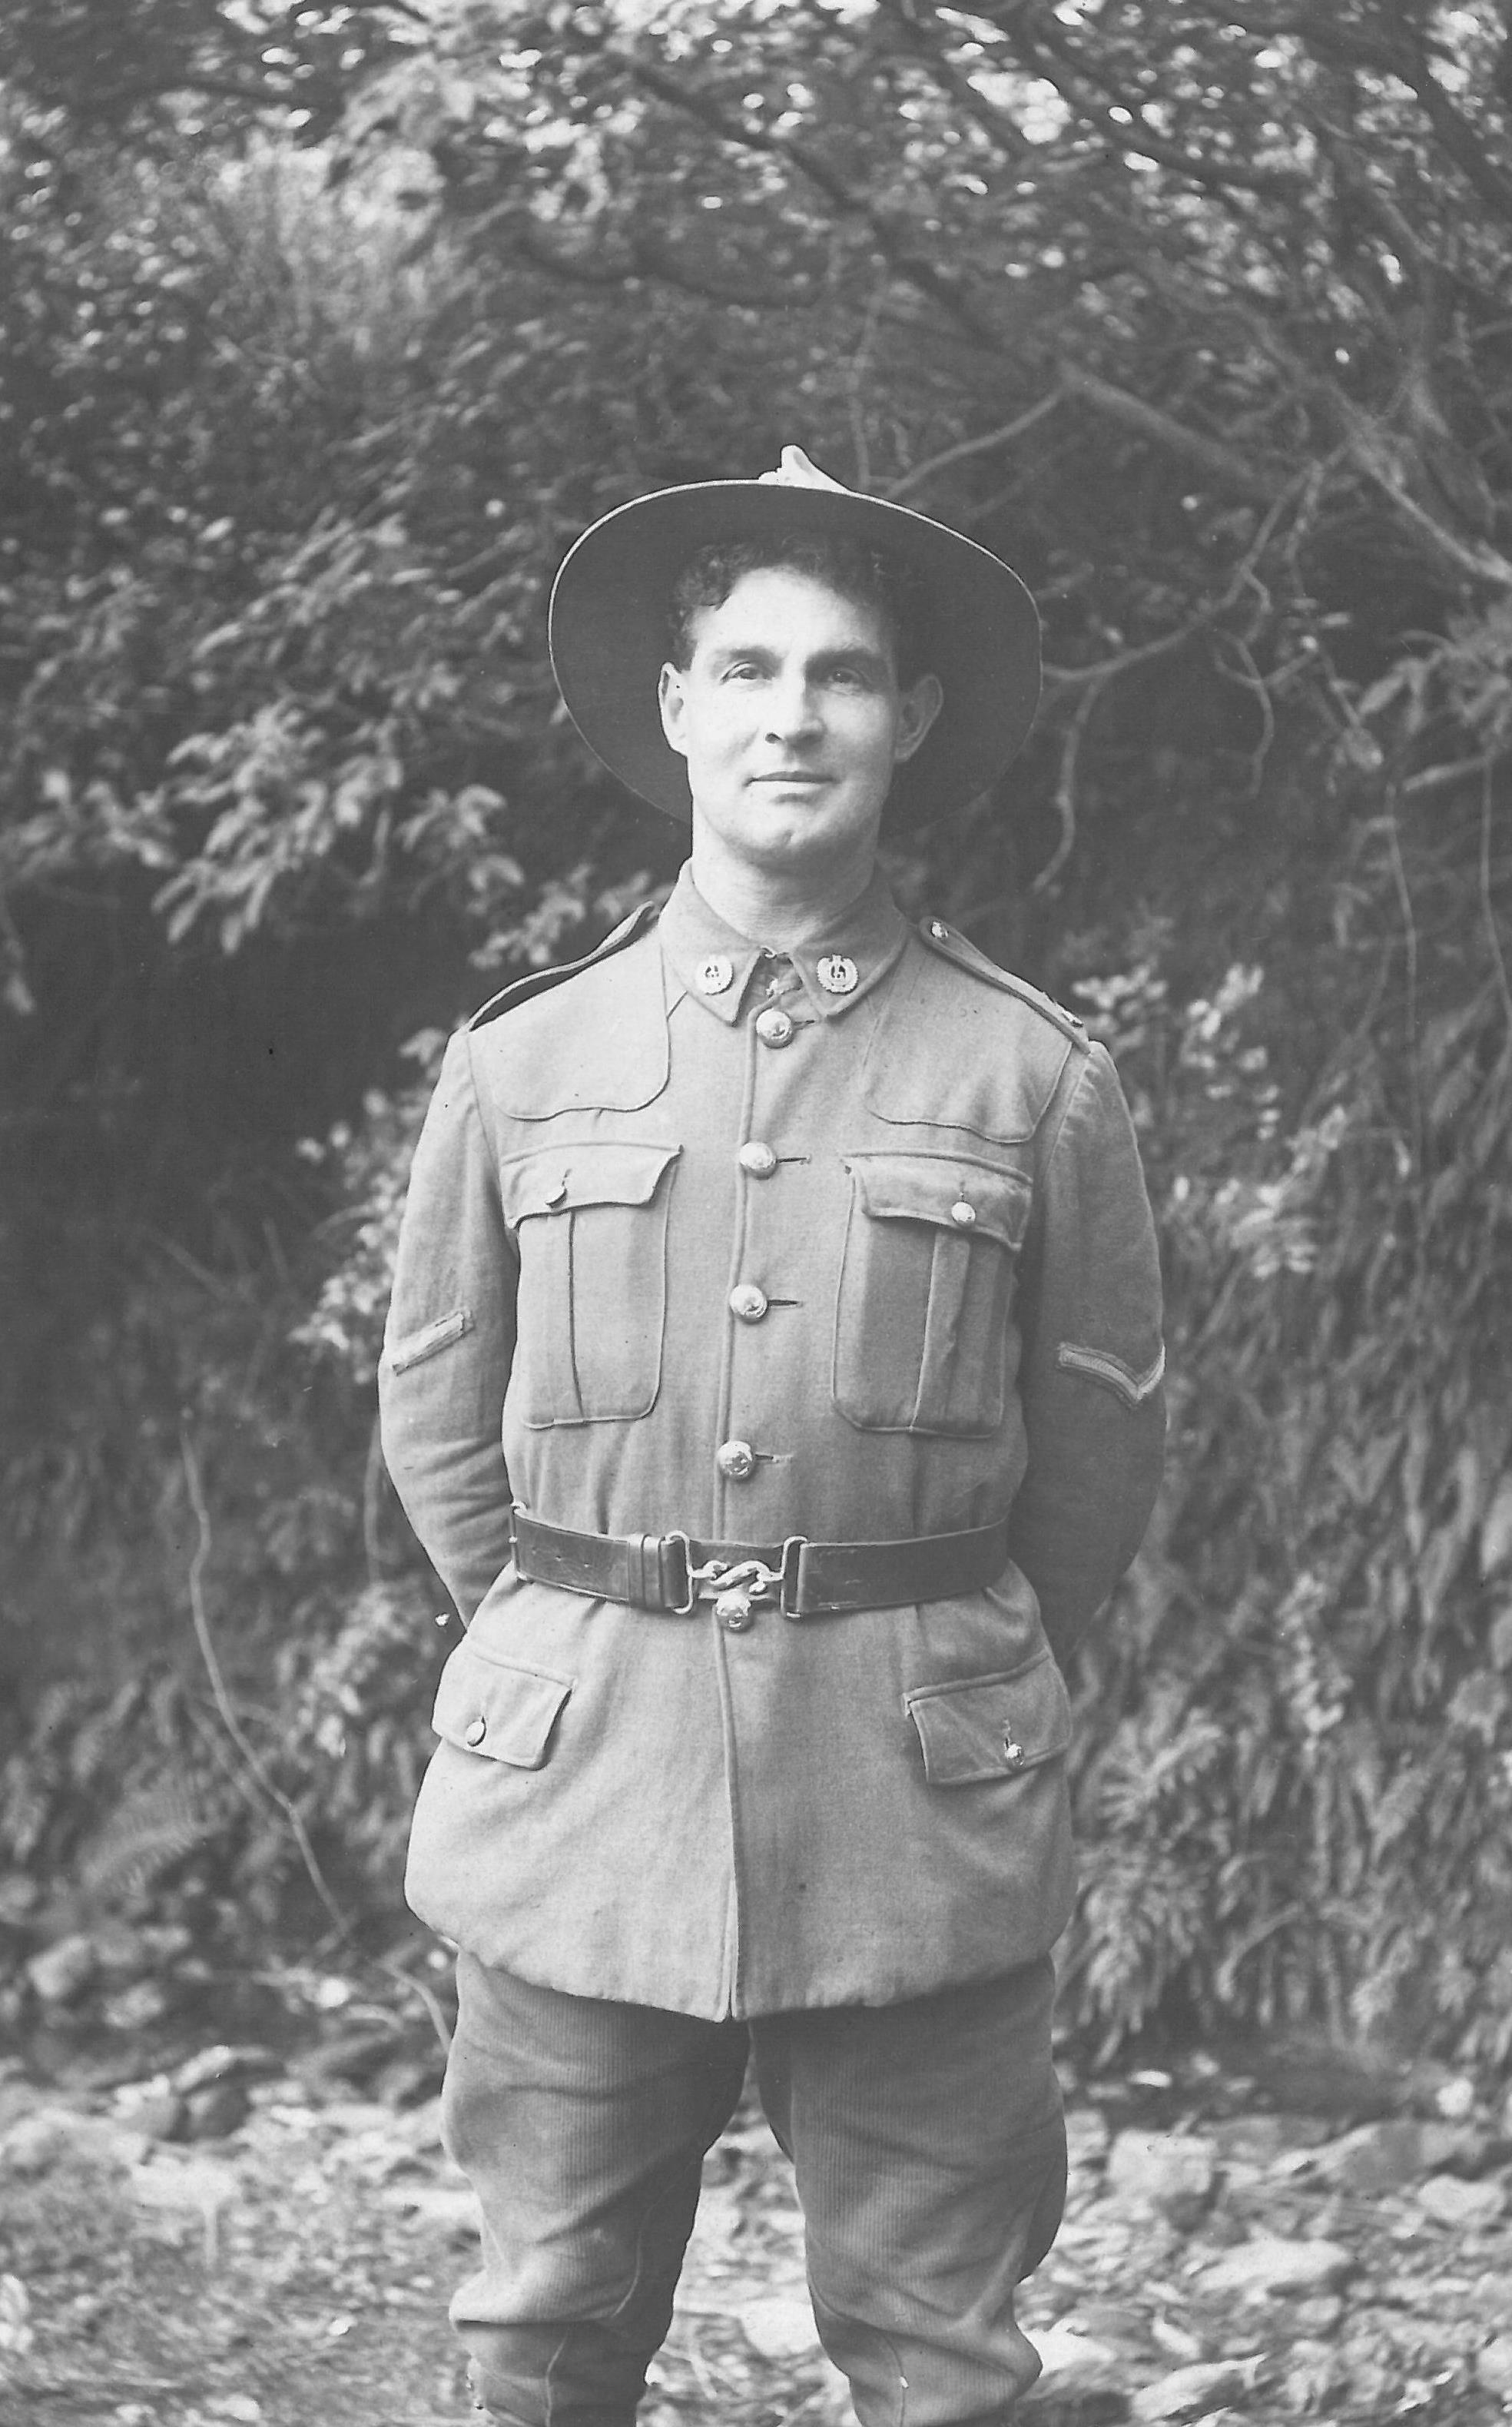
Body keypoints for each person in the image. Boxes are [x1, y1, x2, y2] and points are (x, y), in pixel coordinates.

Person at [378, 446, 1166, 2427]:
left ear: (911, 717)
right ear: (676, 708)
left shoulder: (1031, 1077)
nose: (791, 716)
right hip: (580, 1804)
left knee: (942, 2360)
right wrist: (578, 1638)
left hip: (913, 1810)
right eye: (745, 669)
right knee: (544, 2340)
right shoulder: (523, 1064)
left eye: (842, 674)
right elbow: (439, 1410)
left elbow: (1094, 1463)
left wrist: (939, 1661)